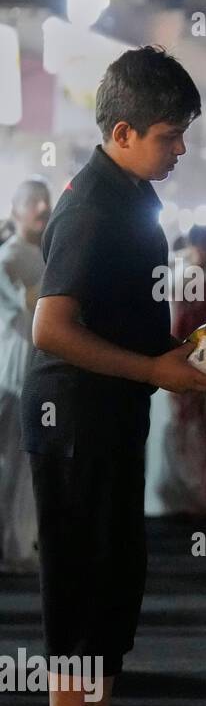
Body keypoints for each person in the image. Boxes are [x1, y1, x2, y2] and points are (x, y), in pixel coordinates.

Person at [23, 46, 206, 706]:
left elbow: (117, 316)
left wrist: (177, 351)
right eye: (170, 136)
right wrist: (152, 370)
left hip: (107, 422)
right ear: (122, 130)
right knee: (79, 588)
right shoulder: (92, 207)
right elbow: (51, 327)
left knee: (112, 582)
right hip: (73, 424)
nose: (179, 150)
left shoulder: (127, 195)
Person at [144, 225, 206, 517]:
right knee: (200, 423)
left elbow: (178, 320)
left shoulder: (188, 275)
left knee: (198, 424)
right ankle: (203, 489)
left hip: (199, 353)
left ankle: (200, 489)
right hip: (205, 353)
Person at [0, 179, 50, 573]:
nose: (43, 207)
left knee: (26, 461)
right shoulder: (9, 257)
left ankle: (20, 543)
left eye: (45, 201)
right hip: (13, 370)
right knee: (16, 460)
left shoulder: (44, 255)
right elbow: (26, 301)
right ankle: (15, 546)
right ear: (16, 210)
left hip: (37, 369)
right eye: (33, 201)